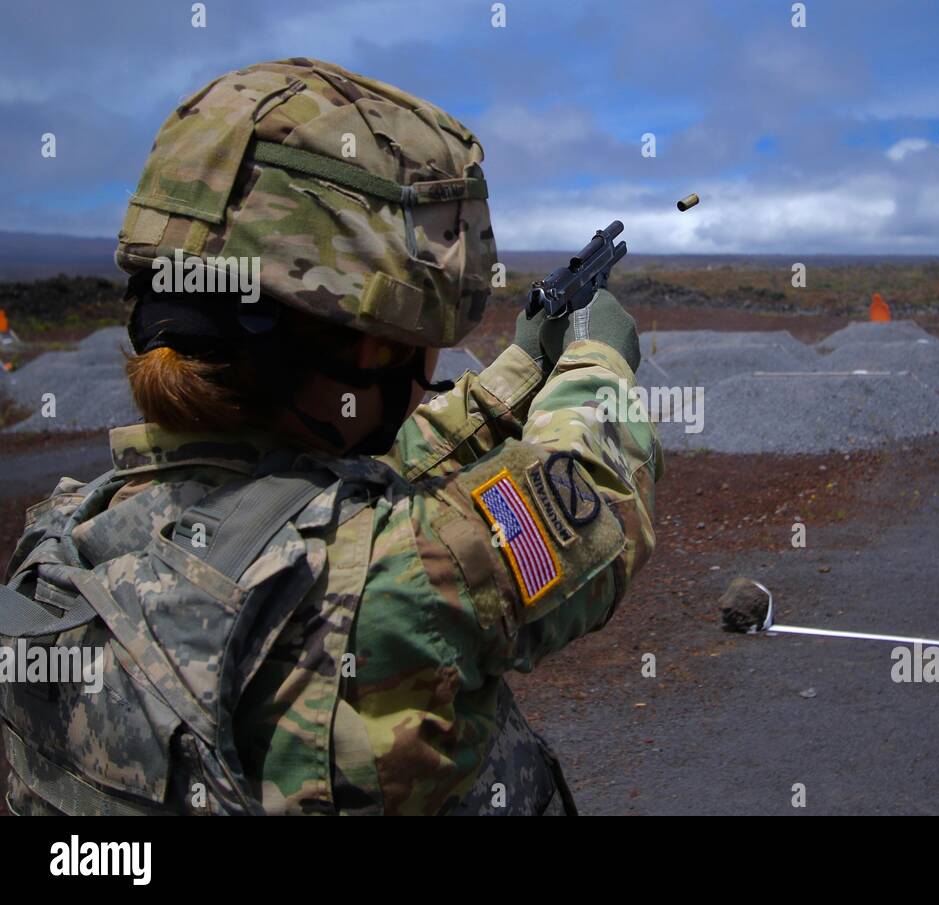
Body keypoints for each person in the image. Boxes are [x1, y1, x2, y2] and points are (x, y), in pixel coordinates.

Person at [0, 58, 662, 816]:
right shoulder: (382, 583)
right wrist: (597, 356)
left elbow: (343, 486)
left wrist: (521, 369)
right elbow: (595, 499)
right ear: (370, 354)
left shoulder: (77, 538)